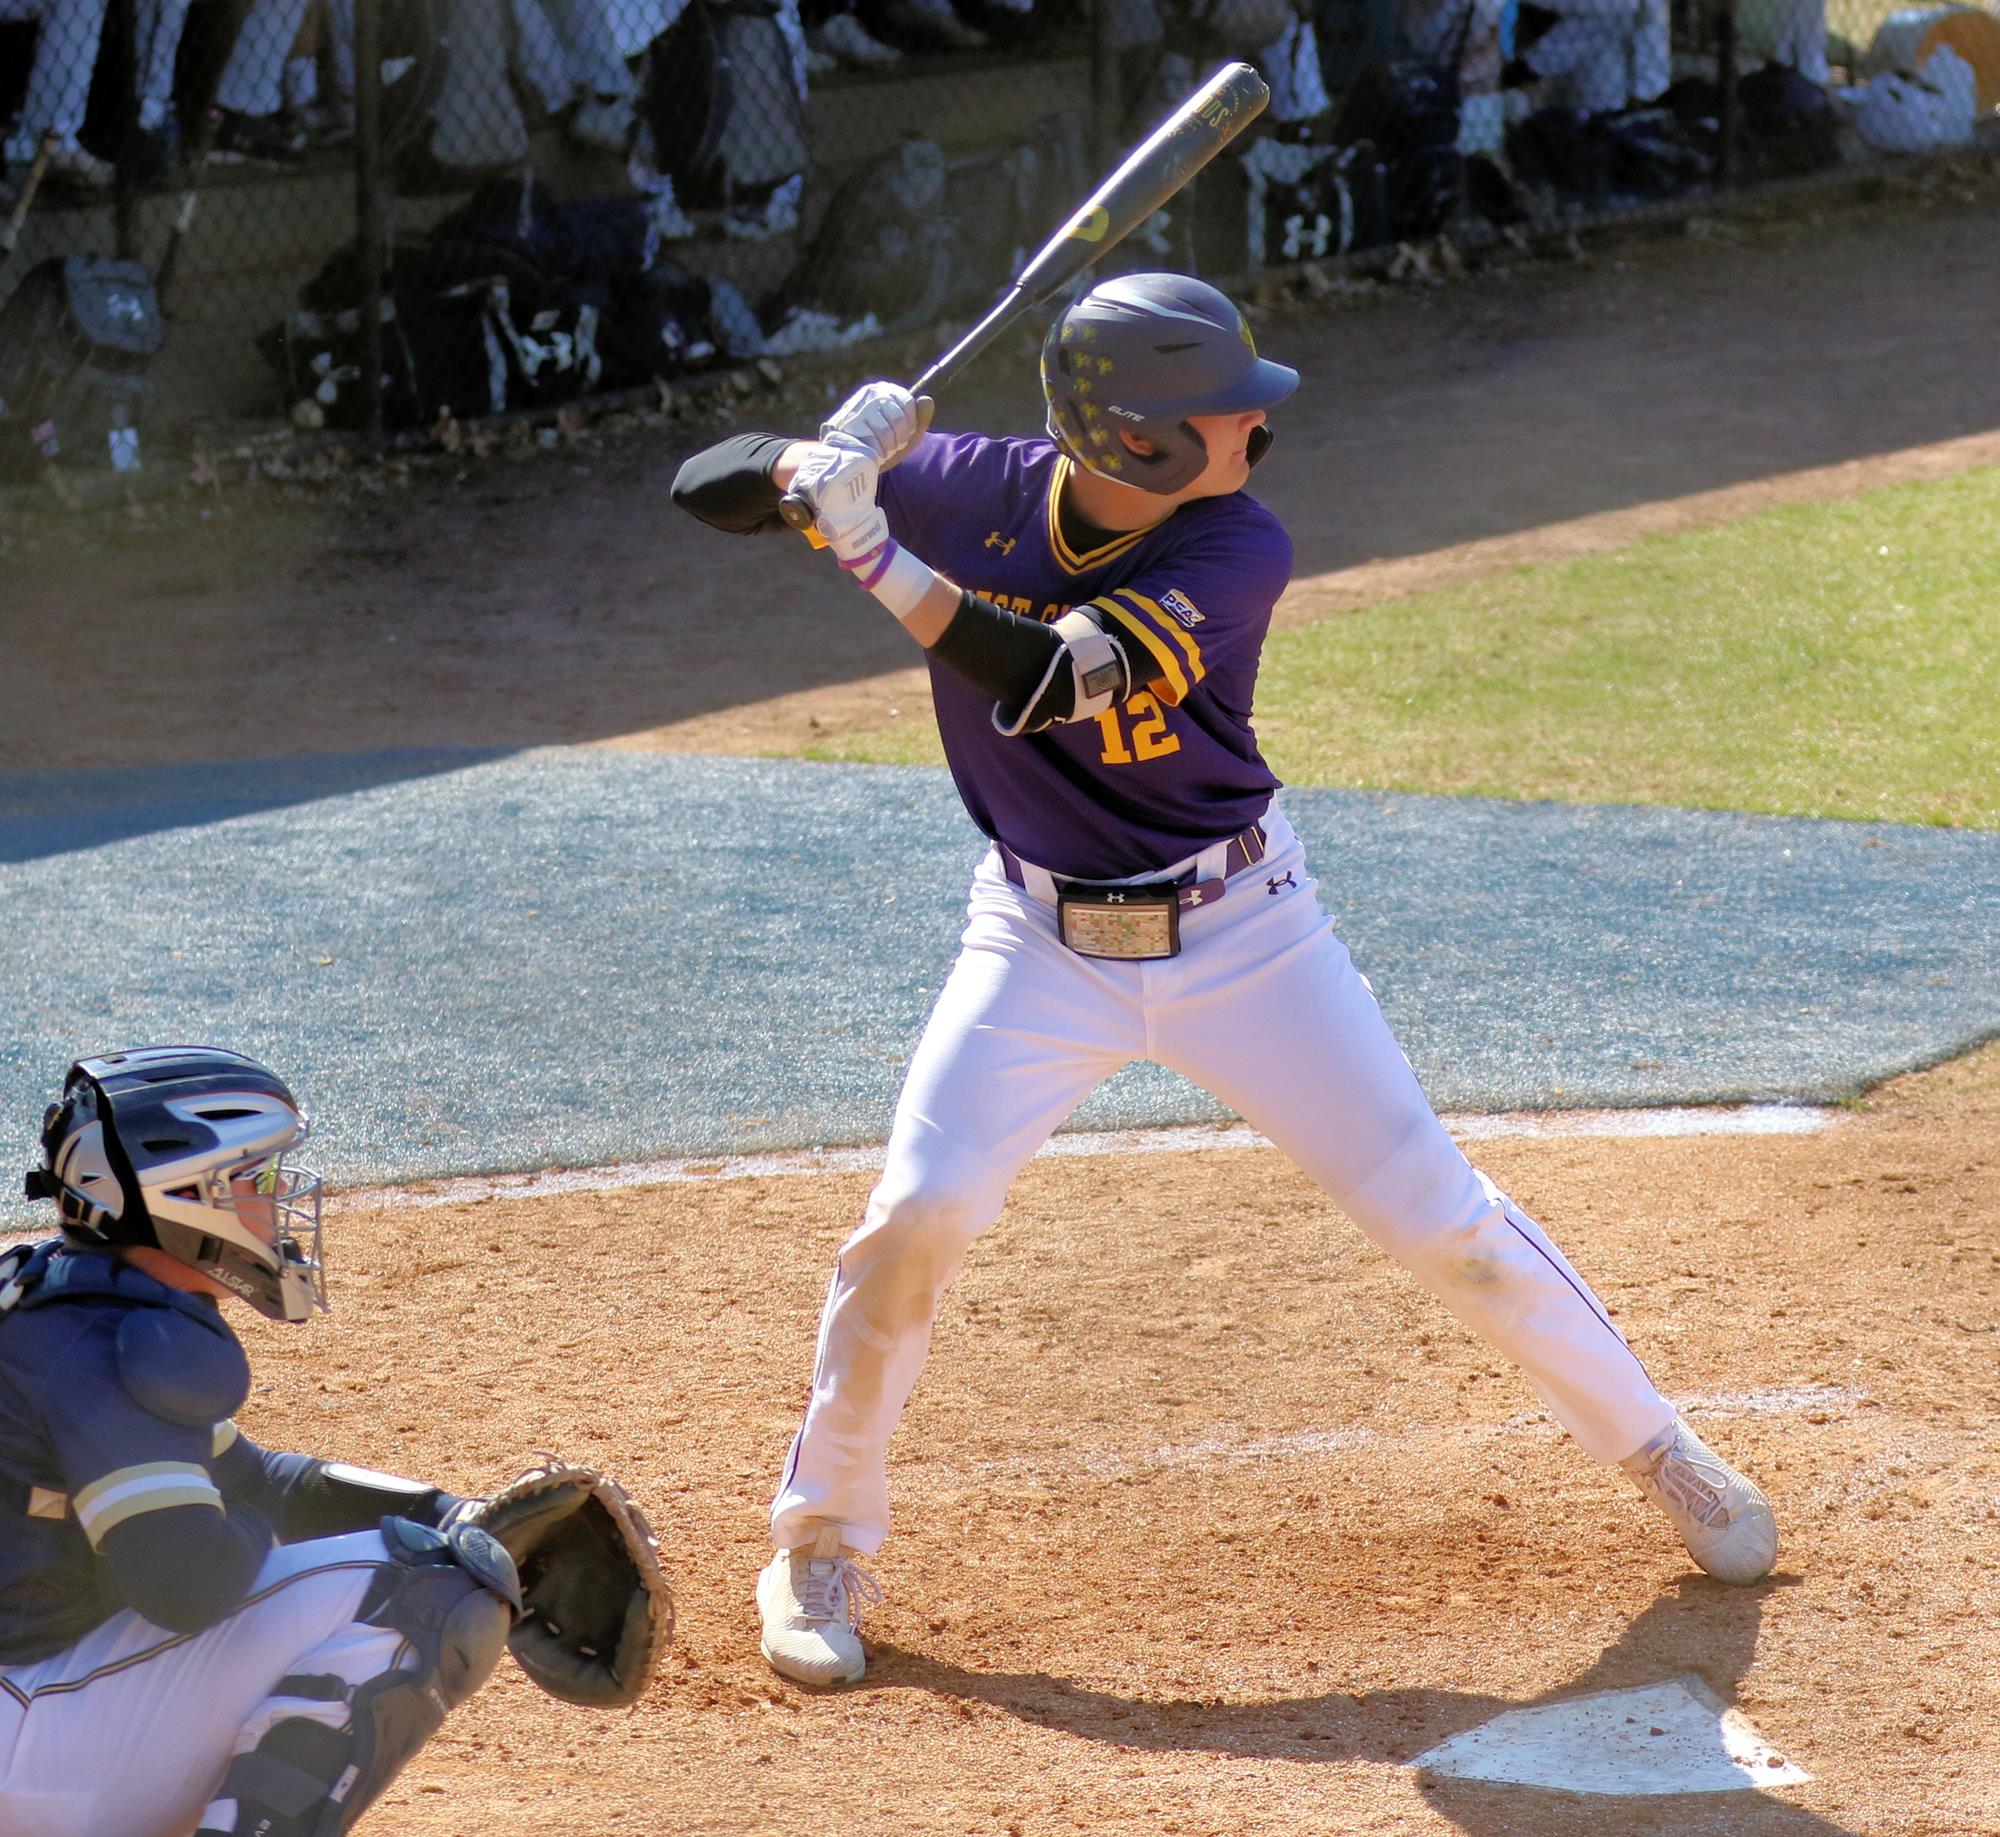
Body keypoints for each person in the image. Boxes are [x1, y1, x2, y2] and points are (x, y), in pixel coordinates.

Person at [670, 272, 1780, 1689]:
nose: (1258, 430)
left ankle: (1659, 1446)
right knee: (918, 1211)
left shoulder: (1235, 545)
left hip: (1245, 930)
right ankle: (817, 1541)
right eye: (1223, 415)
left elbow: (1041, 677)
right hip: (1036, 942)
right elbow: (700, 483)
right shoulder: (963, 488)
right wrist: (814, 459)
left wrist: (869, 552)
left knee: (1445, 1217)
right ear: (1134, 438)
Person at [0, 1046, 523, 1836]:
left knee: (440, 1545)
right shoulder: (127, 1347)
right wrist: (252, 1528)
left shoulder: (58, 1306)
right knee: (428, 1587)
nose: (278, 1201)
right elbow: (183, 1583)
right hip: (31, 1750)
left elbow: (258, 1478)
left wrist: (460, 1511)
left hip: (23, 1708)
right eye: (256, 1179)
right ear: (186, 1196)